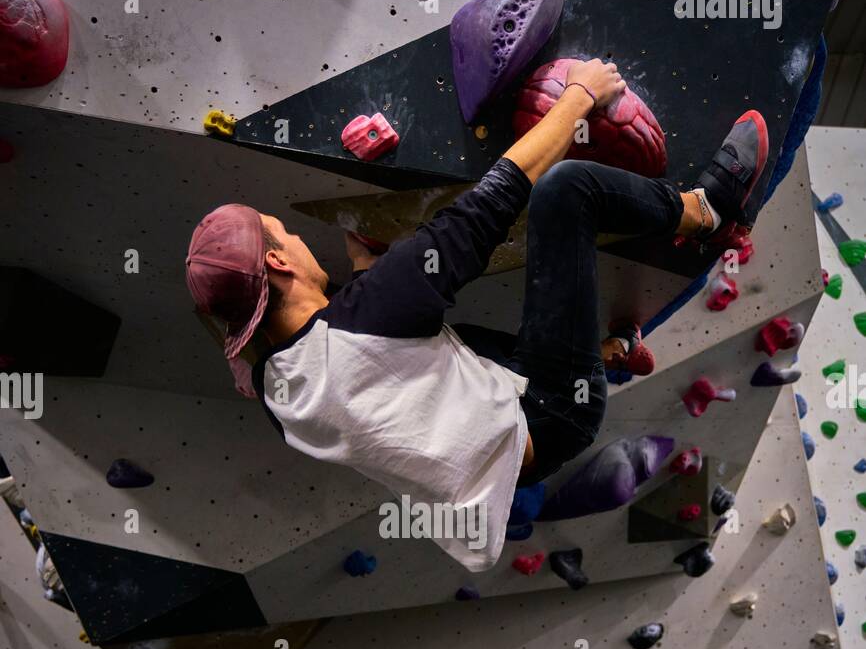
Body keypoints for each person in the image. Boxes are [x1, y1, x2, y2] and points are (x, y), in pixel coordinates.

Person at [186, 57, 767, 571]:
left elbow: (363, 362)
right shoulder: (372, 311)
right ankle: (709, 214)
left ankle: (609, 353)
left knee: (440, 348)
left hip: (498, 458)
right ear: (279, 261)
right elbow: (497, 197)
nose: (297, 236)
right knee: (569, 190)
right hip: (552, 415)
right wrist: (580, 95)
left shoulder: (274, 388)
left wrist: (369, 274)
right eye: (285, 233)